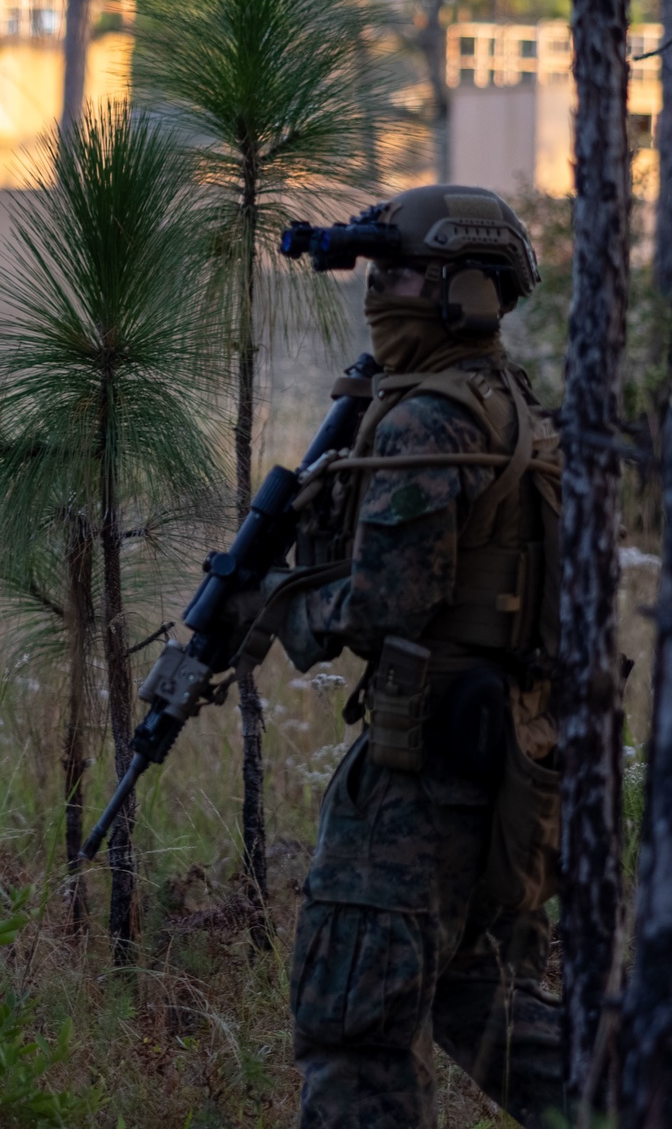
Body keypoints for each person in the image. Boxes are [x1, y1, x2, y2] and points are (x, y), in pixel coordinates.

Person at [267, 186, 567, 1128]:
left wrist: (281, 605)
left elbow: (387, 602)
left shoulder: (427, 421)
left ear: (463, 293)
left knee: (355, 1030)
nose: (380, 292)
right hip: (505, 761)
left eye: (400, 273)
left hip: (424, 765)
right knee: (486, 1002)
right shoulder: (516, 407)